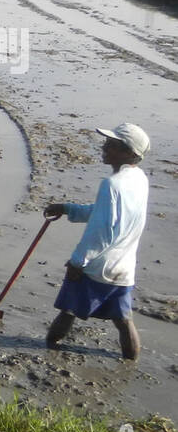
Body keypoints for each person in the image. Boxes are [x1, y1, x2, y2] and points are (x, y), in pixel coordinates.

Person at [44, 123, 150, 359]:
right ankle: (129, 364)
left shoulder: (111, 184)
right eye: (107, 143)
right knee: (124, 320)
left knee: (68, 310)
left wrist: (77, 261)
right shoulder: (139, 179)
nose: (105, 148)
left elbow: (101, 231)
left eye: (112, 145)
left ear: (130, 154)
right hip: (123, 268)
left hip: (97, 266)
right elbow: (105, 214)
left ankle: (48, 351)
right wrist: (68, 209)